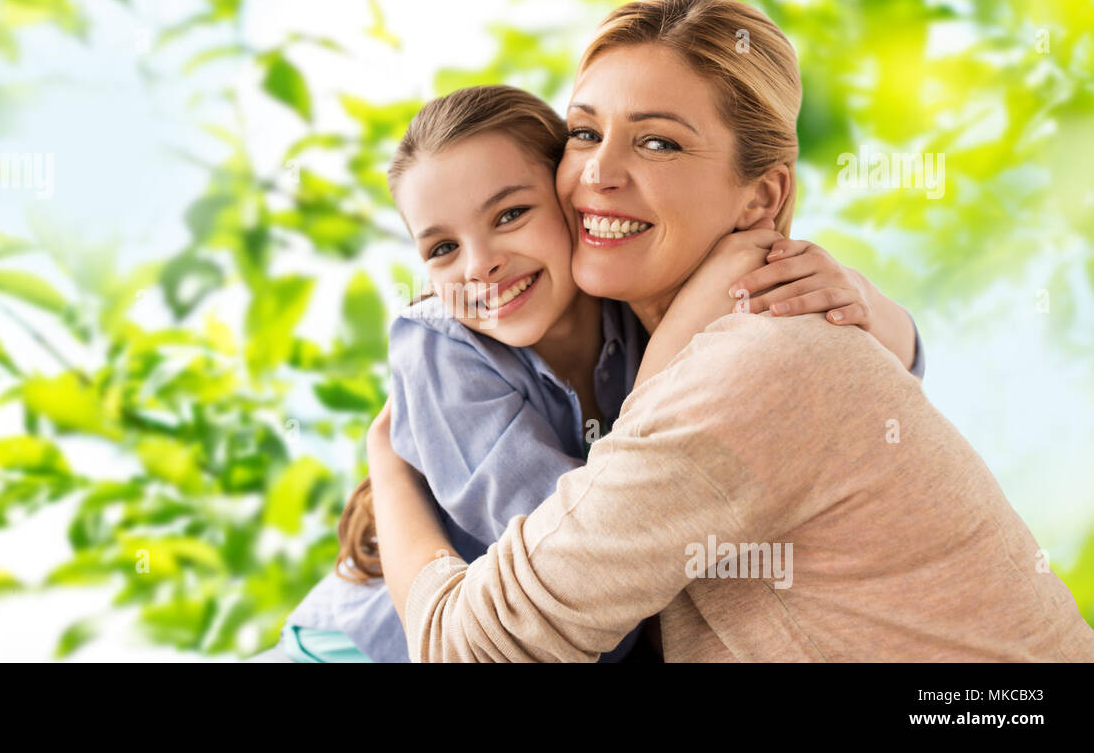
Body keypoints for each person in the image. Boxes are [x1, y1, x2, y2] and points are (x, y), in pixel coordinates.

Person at [367, 0, 1094, 662]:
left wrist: (390, 471)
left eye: (659, 143)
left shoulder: (758, 364)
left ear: (761, 197)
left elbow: (471, 649)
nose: (598, 175)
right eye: (585, 133)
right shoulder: (669, 330)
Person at [282, 79, 927, 662]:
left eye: (510, 215)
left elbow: (862, 384)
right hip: (361, 647)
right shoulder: (440, 351)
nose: (479, 265)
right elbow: (586, 576)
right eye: (443, 248)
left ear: (574, 202)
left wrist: (865, 301)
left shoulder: (629, 299)